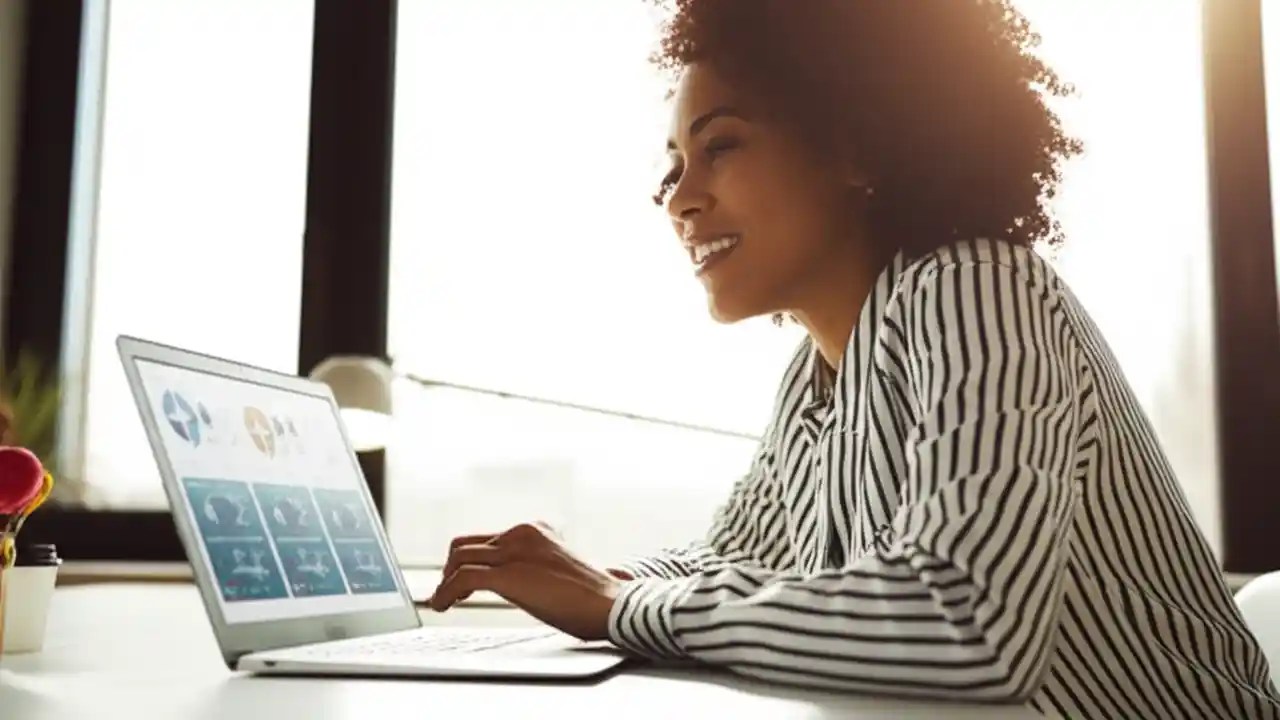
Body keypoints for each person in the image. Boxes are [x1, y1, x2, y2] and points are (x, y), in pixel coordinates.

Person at [428, 1, 1280, 717]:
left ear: (856, 148)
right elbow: (733, 560)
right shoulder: (816, 380)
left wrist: (619, 603)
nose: (680, 199)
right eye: (674, 167)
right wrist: (577, 576)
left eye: (720, 146)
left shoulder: (978, 288)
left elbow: (967, 622)